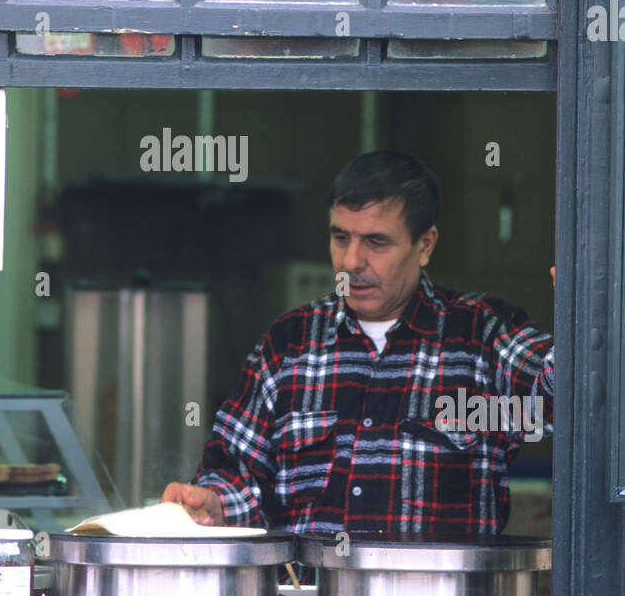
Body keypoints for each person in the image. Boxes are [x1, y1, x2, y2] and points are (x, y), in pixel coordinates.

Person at [162, 150, 554, 538]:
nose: (350, 261)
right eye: (340, 237)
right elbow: (239, 474)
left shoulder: (481, 335)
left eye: (376, 242)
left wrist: (583, 312)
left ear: (425, 245)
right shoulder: (289, 345)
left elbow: (564, 399)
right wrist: (214, 505)